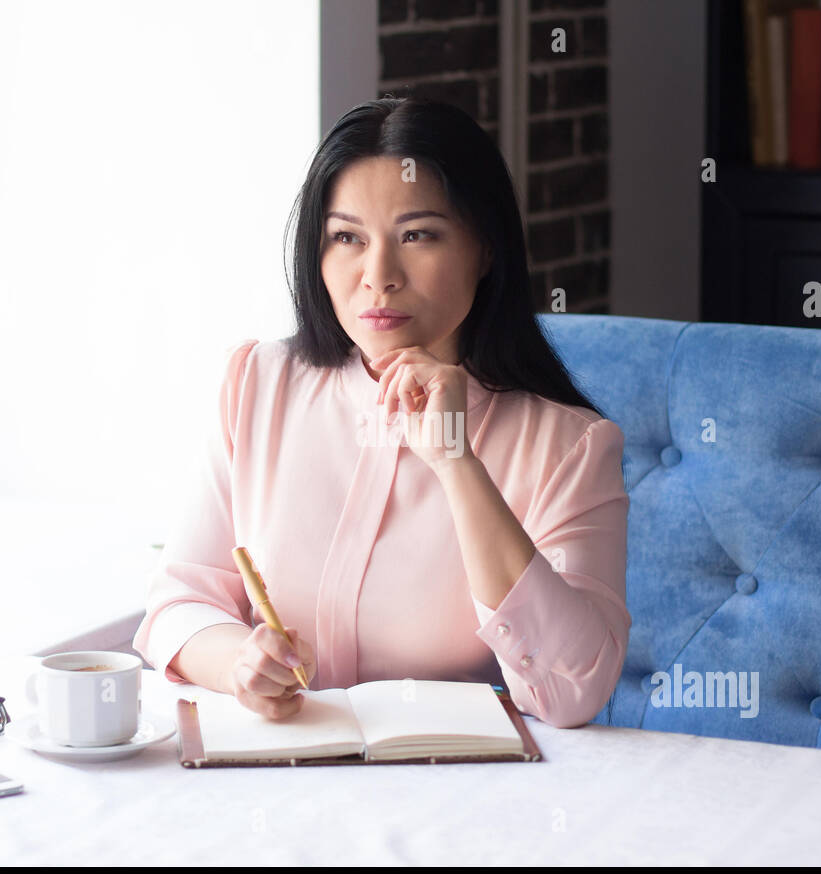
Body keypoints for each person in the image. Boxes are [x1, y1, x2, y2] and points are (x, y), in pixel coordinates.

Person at [132, 96, 630, 729]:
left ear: (486, 248)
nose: (378, 275)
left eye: (417, 235)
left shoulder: (569, 447)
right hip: (280, 780)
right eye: (347, 238)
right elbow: (178, 600)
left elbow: (573, 691)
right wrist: (240, 664)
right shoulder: (257, 383)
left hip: (456, 798)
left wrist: (457, 463)